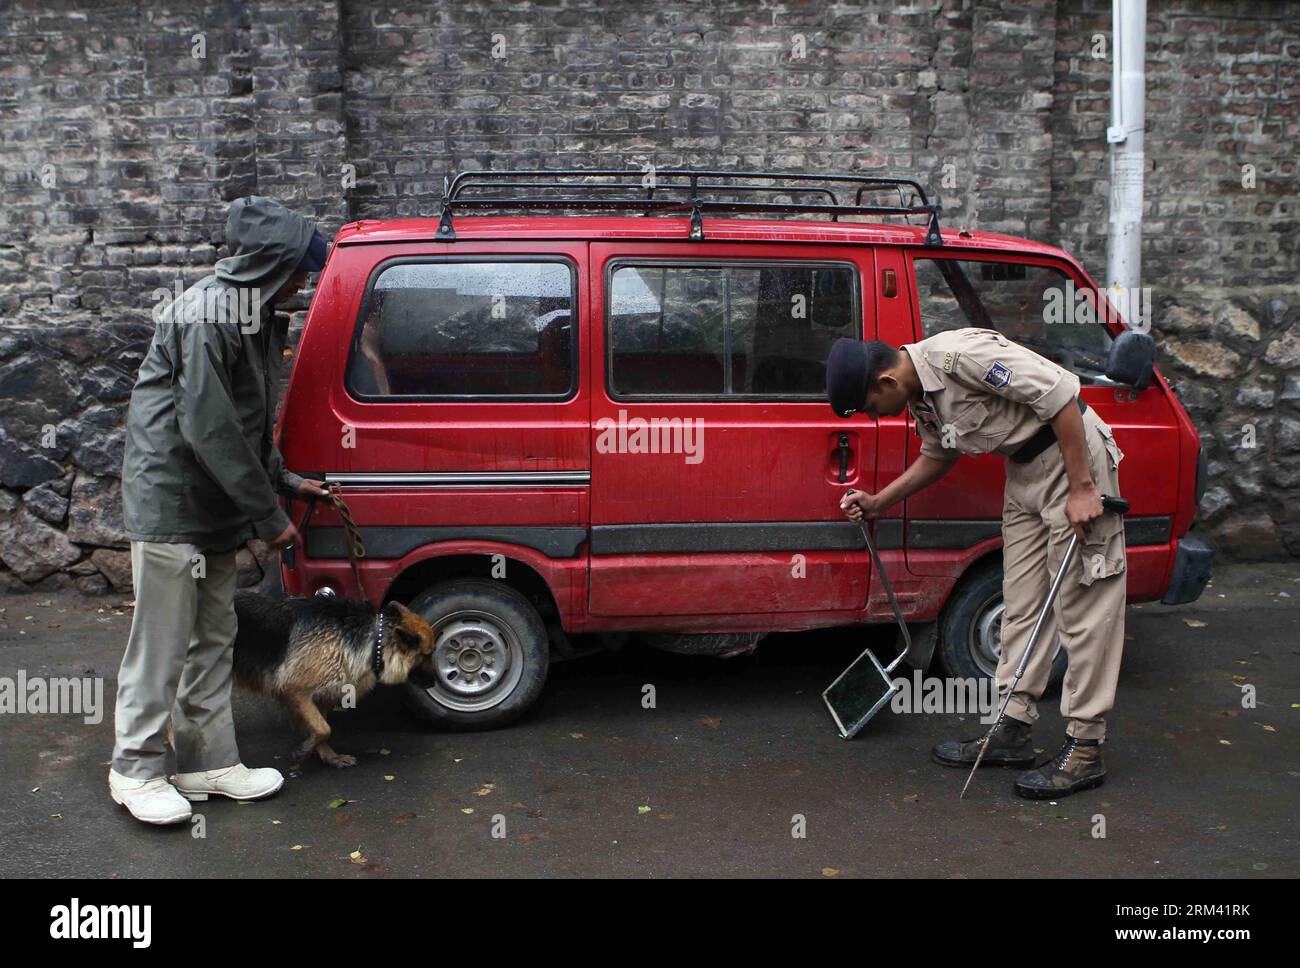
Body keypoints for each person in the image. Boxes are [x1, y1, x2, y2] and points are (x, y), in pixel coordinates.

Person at [825, 327, 1127, 798]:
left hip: (1074, 460)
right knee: (1022, 604)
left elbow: (1061, 393)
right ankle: (1013, 728)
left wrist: (1084, 487)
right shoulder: (920, 394)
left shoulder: (960, 357)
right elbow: (938, 454)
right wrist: (880, 501)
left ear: (885, 382)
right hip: (1024, 473)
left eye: (868, 406)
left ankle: (1085, 747)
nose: (873, 416)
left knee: (1083, 604)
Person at [110, 197, 330, 825]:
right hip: (173, 504)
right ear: (271, 264)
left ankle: (208, 760)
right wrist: (270, 516)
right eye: (298, 271)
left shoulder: (253, 316)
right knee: (162, 644)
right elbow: (209, 427)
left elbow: (246, 424)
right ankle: (135, 768)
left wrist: (287, 482)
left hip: (213, 506)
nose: (303, 283)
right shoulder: (207, 315)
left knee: (215, 637)